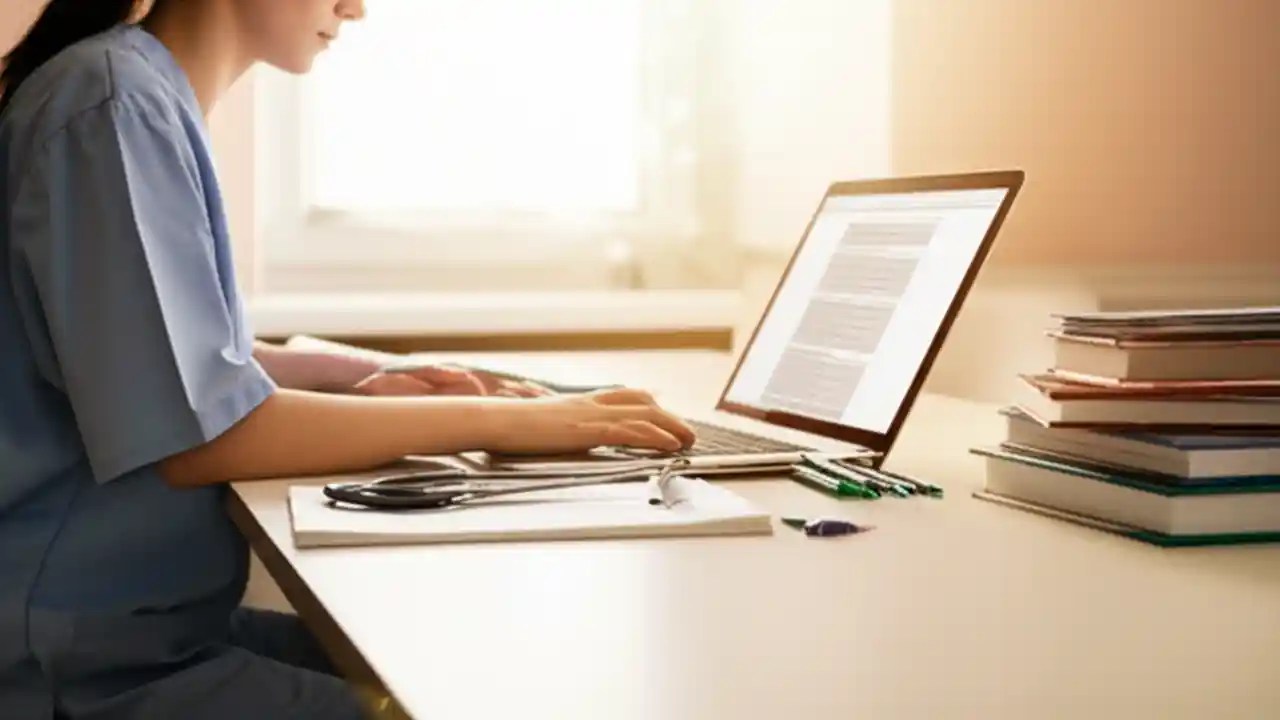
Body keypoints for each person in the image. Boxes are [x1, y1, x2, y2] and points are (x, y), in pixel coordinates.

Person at [0, 1, 696, 717]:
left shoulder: (131, 91)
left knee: (449, 674)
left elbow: (166, 353)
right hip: (77, 662)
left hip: (134, 626)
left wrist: (364, 378)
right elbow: (203, 436)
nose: (355, 7)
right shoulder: (114, 108)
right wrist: (499, 424)